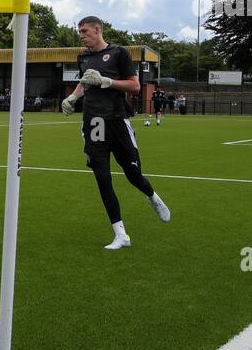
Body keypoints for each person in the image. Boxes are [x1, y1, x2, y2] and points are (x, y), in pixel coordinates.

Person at [62, 15, 171, 250]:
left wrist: (107, 81)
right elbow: (85, 82)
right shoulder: (83, 57)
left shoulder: (119, 53)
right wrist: (72, 97)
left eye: (84, 31)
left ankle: (152, 196)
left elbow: (134, 86)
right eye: (79, 31)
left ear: (98, 29)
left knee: (133, 175)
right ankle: (121, 234)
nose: (81, 35)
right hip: (94, 123)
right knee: (102, 177)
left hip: (117, 121)